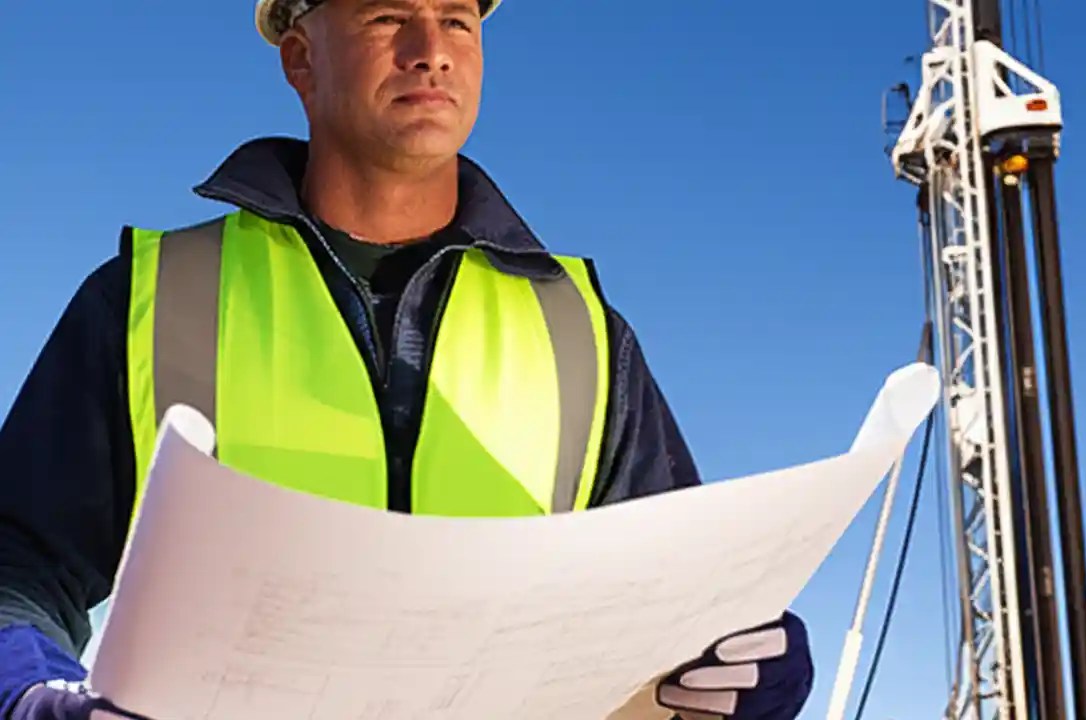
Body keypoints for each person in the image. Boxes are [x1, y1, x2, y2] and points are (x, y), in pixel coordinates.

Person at [0, 1, 816, 718]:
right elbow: (17, 565)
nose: (432, 48)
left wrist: (746, 657)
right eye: (388, 15)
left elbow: (681, 596)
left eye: (457, 18)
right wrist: (28, 687)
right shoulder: (148, 299)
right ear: (301, 56)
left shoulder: (584, 335)